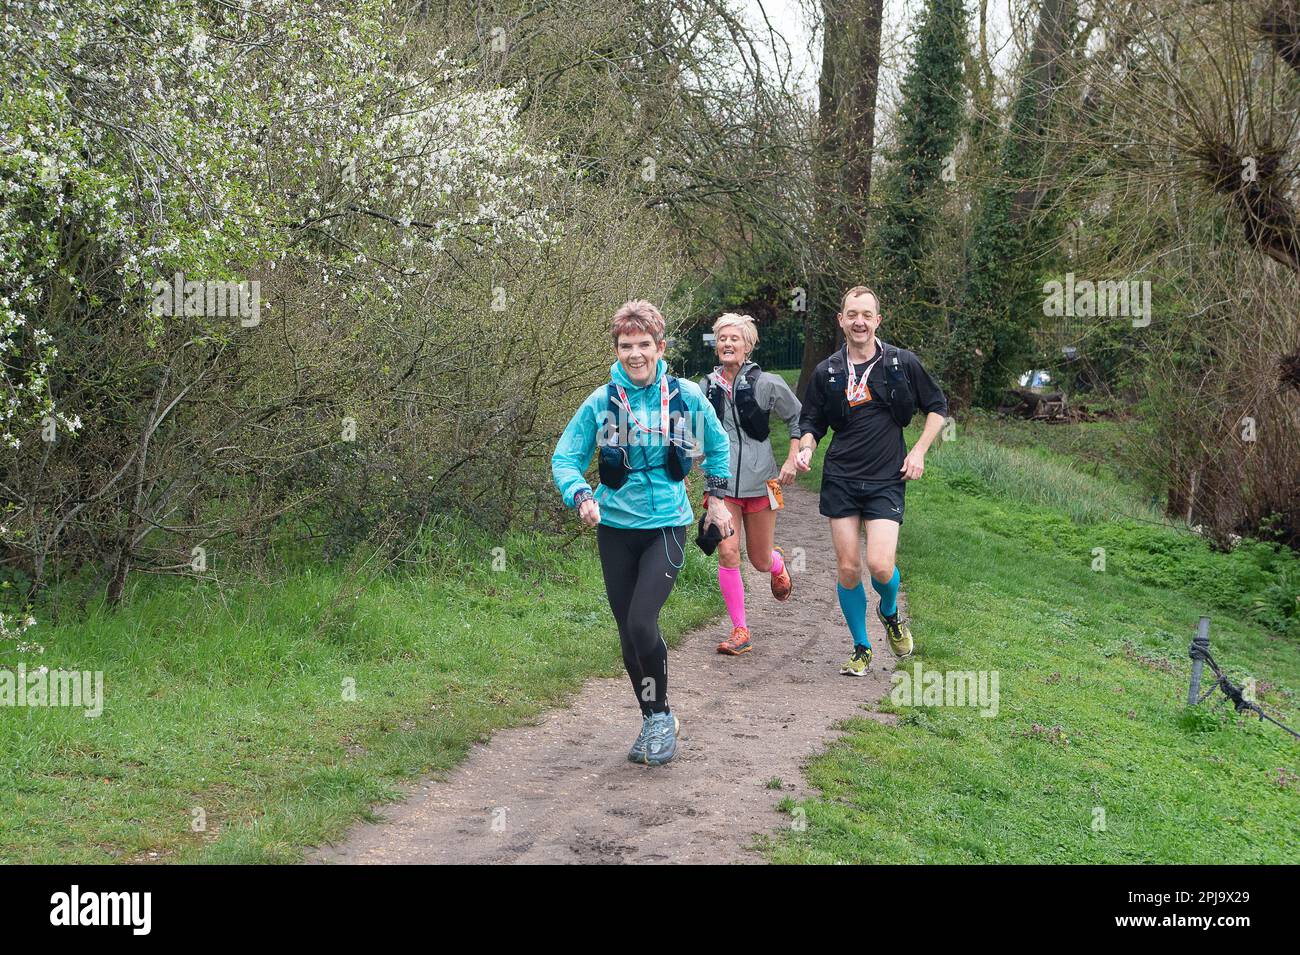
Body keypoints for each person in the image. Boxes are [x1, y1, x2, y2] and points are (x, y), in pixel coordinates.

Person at [551, 300, 734, 766]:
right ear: (616, 349)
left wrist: (715, 501)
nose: (635, 353)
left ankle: (661, 717)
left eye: (644, 344)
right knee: (628, 634)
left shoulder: (685, 397)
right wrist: (581, 496)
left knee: (640, 622)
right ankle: (653, 716)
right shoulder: (602, 402)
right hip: (614, 528)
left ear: (660, 347)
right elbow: (564, 459)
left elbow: (716, 446)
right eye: (626, 345)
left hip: (666, 526)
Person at [795, 286, 948, 676]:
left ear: (878, 320)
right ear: (841, 321)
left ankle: (891, 613)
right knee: (848, 569)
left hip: (886, 478)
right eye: (852, 314)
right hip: (842, 478)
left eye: (867, 314)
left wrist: (918, 452)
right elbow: (811, 422)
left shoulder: (901, 362)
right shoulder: (827, 371)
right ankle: (862, 647)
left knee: (880, 566)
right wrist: (808, 447)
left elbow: (937, 409)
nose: (859, 321)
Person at [699, 313, 802, 656]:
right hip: (722, 486)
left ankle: (776, 563)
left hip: (766, 482)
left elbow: (798, 417)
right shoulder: (705, 387)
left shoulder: (768, 383)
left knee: (758, 560)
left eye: (734, 339)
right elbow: (685, 424)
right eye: (722, 339)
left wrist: (792, 458)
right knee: (728, 553)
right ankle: (740, 629)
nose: (727, 344)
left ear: (748, 345)